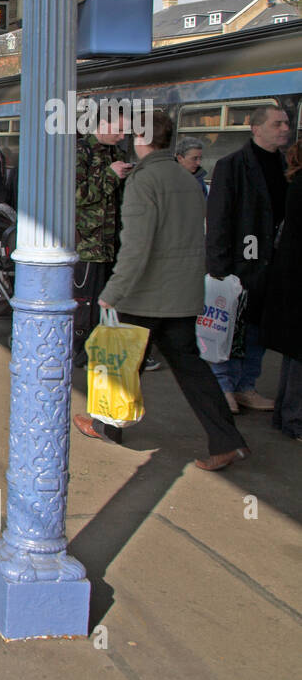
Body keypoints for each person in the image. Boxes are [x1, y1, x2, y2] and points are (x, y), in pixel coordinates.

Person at [73, 111, 248, 472]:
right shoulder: (188, 179)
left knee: (121, 362)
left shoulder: (143, 180)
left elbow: (137, 245)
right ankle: (227, 440)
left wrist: (114, 291)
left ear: (141, 138)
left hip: (147, 293)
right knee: (191, 369)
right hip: (182, 293)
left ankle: (106, 425)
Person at [207, 105, 293, 413]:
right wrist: (218, 269)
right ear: (256, 128)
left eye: (286, 123)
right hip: (239, 261)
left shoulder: (286, 166)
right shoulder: (232, 166)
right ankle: (223, 386)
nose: (284, 129)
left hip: (269, 264)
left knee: (257, 327)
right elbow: (218, 218)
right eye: (277, 124)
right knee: (226, 327)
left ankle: (246, 386)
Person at [73, 114, 131, 367]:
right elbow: (75, 195)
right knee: (85, 303)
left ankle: (98, 349)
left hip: (109, 243)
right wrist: (110, 175)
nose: (122, 136)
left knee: (103, 302)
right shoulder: (80, 151)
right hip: (86, 245)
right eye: (118, 130)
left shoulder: (114, 153)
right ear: (102, 125)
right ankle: (80, 352)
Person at [263, 141, 302, 440]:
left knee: (294, 353)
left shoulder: (295, 183)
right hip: (295, 278)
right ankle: (293, 419)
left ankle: (285, 415)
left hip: (290, 277)